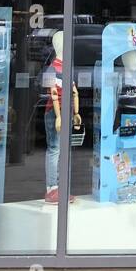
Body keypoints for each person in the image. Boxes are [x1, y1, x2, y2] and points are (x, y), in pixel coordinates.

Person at [44, 30, 81, 201]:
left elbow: (74, 92)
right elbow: (52, 94)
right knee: (54, 148)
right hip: (54, 112)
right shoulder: (52, 68)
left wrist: (76, 112)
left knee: (61, 149)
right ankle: (52, 188)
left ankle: (60, 186)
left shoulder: (66, 67)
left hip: (65, 111)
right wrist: (59, 116)